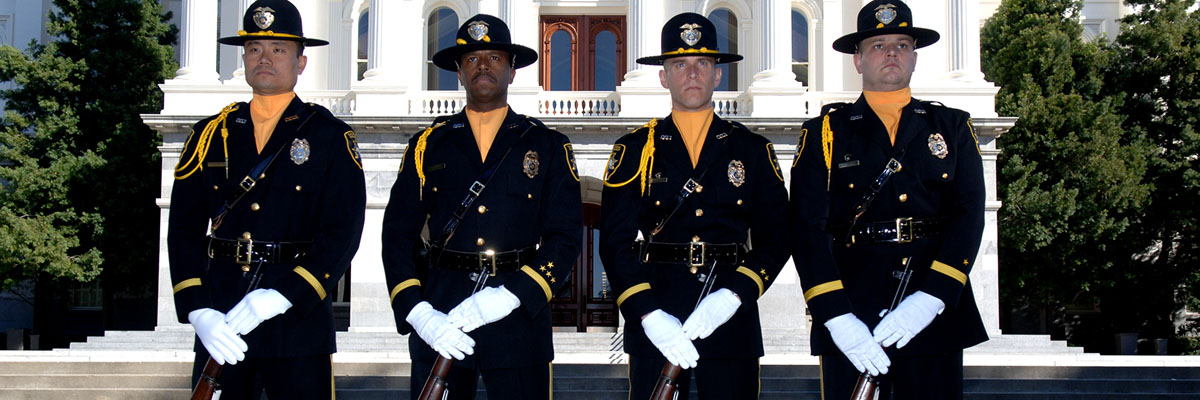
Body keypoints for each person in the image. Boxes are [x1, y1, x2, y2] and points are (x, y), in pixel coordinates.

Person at [787, 1, 988, 398]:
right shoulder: (826, 132)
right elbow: (806, 229)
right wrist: (835, 314)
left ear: (914, 57)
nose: (891, 53)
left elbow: (968, 216)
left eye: (901, 44)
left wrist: (933, 297)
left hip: (933, 310)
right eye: (878, 45)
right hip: (853, 309)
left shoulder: (951, 127)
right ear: (858, 61)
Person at [167, 0, 365, 398]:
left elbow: (341, 234)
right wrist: (197, 307)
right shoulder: (210, 134)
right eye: (255, 48)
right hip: (224, 317)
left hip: (297, 321)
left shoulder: (329, 136)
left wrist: (284, 295)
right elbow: (184, 229)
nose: (265, 58)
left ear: (301, 62)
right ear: (244, 57)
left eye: (279, 50)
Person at [380, 14, 582, 400]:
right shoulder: (429, 144)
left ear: (512, 71)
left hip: (518, 315)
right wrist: (417, 310)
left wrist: (515, 293)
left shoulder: (546, 145)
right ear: (458, 72)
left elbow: (565, 236)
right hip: (443, 313)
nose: (483, 66)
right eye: (472, 59)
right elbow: (397, 235)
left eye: (494, 58)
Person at [598, 12, 790, 399]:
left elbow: (778, 236)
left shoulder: (751, 149)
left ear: (718, 74)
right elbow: (614, 242)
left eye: (703, 63)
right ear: (663, 76)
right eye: (680, 64)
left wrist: (734, 294)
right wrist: (647, 313)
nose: (692, 74)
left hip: (730, 320)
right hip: (658, 315)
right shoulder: (636, 149)